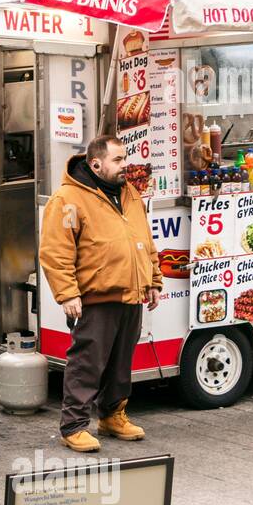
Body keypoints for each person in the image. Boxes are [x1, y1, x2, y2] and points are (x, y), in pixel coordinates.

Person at [39, 135, 162, 453]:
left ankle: (112, 416)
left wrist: (153, 280)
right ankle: (74, 425)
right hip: (95, 296)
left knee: (121, 362)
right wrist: (67, 294)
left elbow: (144, 240)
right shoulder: (67, 199)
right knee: (87, 363)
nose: (126, 165)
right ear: (96, 164)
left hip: (131, 294)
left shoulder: (130, 193)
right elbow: (55, 251)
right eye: (118, 160)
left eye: (125, 158)